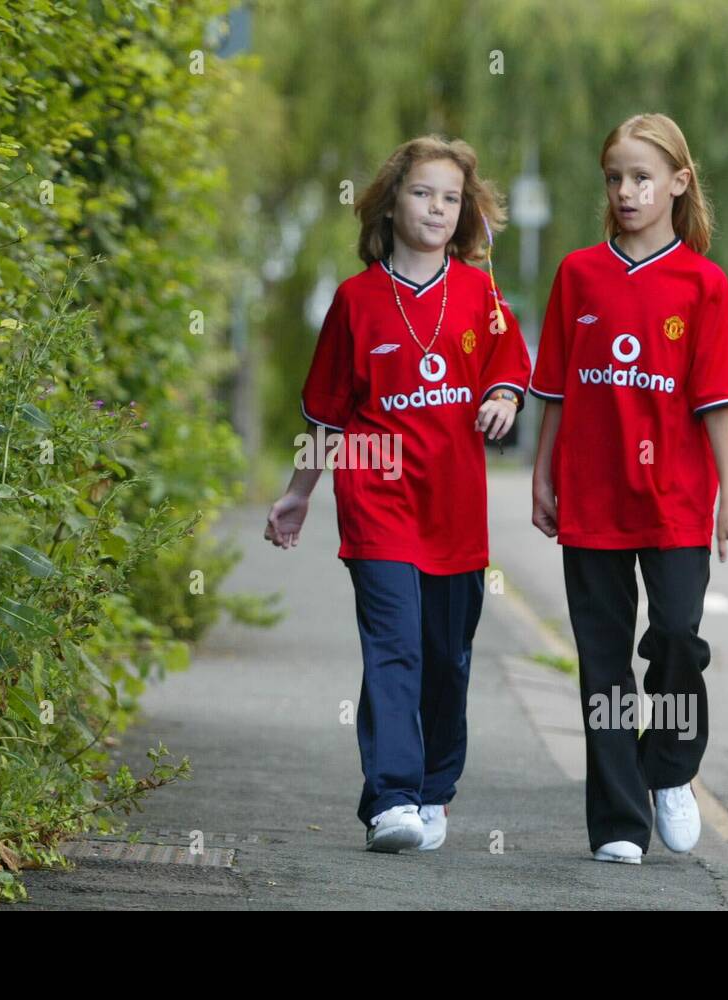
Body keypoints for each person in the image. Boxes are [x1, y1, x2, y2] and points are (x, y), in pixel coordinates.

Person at [264, 134, 531, 853]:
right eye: (422, 193)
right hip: (376, 497)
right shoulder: (354, 303)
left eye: (451, 197)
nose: (437, 208)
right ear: (391, 203)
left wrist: (504, 397)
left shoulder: (482, 294)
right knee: (393, 649)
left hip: (454, 509)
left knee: (447, 656)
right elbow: (324, 413)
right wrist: (298, 496)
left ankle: (435, 788)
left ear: (465, 212)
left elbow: (509, 366)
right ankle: (392, 799)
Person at [529, 113, 728, 865]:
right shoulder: (577, 274)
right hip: (591, 496)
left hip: (675, 499)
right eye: (615, 179)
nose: (626, 192)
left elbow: (718, 398)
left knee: (675, 641)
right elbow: (557, 390)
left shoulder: (704, 283)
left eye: (641, 178)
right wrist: (542, 473)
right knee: (601, 664)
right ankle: (620, 824)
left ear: (677, 183)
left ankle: (668, 769)